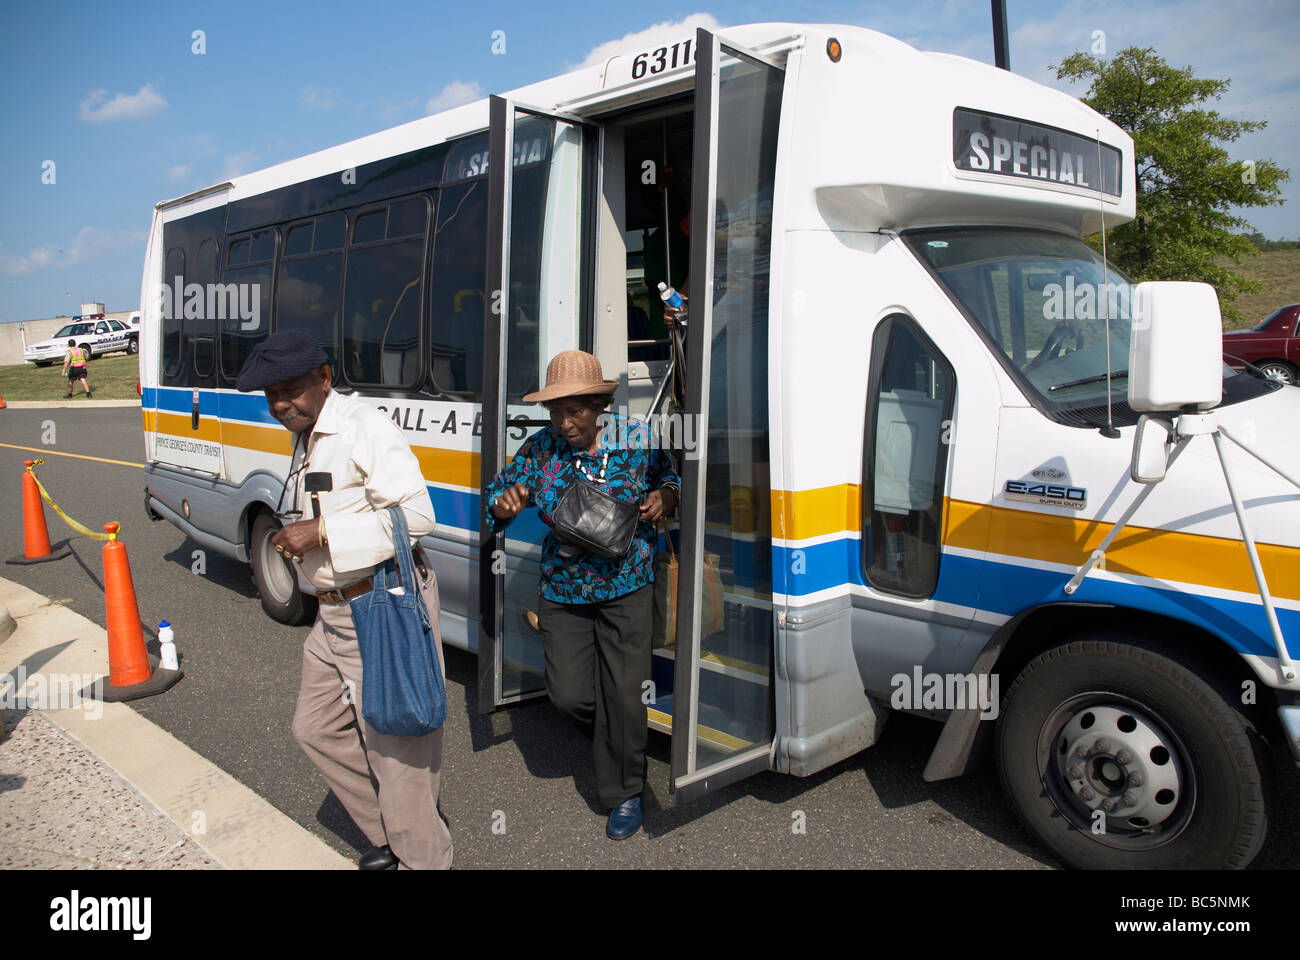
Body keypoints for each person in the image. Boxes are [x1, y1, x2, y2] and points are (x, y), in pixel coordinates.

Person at [237, 330, 452, 870]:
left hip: (379, 603)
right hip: (333, 610)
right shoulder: (308, 433)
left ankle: (423, 857)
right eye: (270, 396)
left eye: (290, 390)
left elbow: (420, 516)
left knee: (395, 751)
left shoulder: (363, 428)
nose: (280, 404)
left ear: (325, 378)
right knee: (314, 728)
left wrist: (323, 531)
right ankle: (394, 832)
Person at [484, 350, 680, 839]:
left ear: (598, 405)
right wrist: (504, 506)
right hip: (564, 589)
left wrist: (664, 498)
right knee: (569, 695)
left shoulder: (636, 439)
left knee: (626, 695)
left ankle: (624, 792)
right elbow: (498, 496)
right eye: (556, 411)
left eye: (575, 410)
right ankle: (613, 737)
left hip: (627, 584)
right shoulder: (540, 449)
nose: (565, 422)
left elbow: (670, 479)